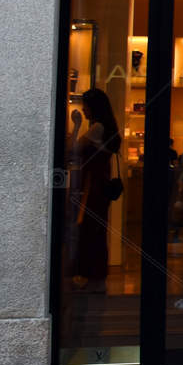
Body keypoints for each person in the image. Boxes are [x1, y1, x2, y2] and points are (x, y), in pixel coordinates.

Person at [67, 88, 123, 290]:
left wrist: (76, 126)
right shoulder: (107, 128)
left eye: (86, 105)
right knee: (97, 230)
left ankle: (89, 274)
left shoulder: (97, 128)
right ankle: (96, 276)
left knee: (88, 229)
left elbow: (72, 150)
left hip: (91, 187)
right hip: (100, 185)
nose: (83, 109)